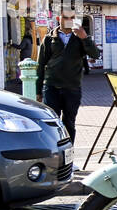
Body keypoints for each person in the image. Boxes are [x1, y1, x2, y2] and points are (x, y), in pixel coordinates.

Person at [36, 11, 99, 144]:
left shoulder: (79, 37)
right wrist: (38, 91)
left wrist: (85, 38)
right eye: (66, 17)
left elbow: (95, 54)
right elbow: (41, 64)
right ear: (59, 18)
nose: (69, 20)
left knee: (69, 122)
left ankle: (69, 152)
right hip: (51, 87)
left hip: (72, 87)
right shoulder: (49, 38)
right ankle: (54, 150)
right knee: (52, 122)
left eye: (72, 17)